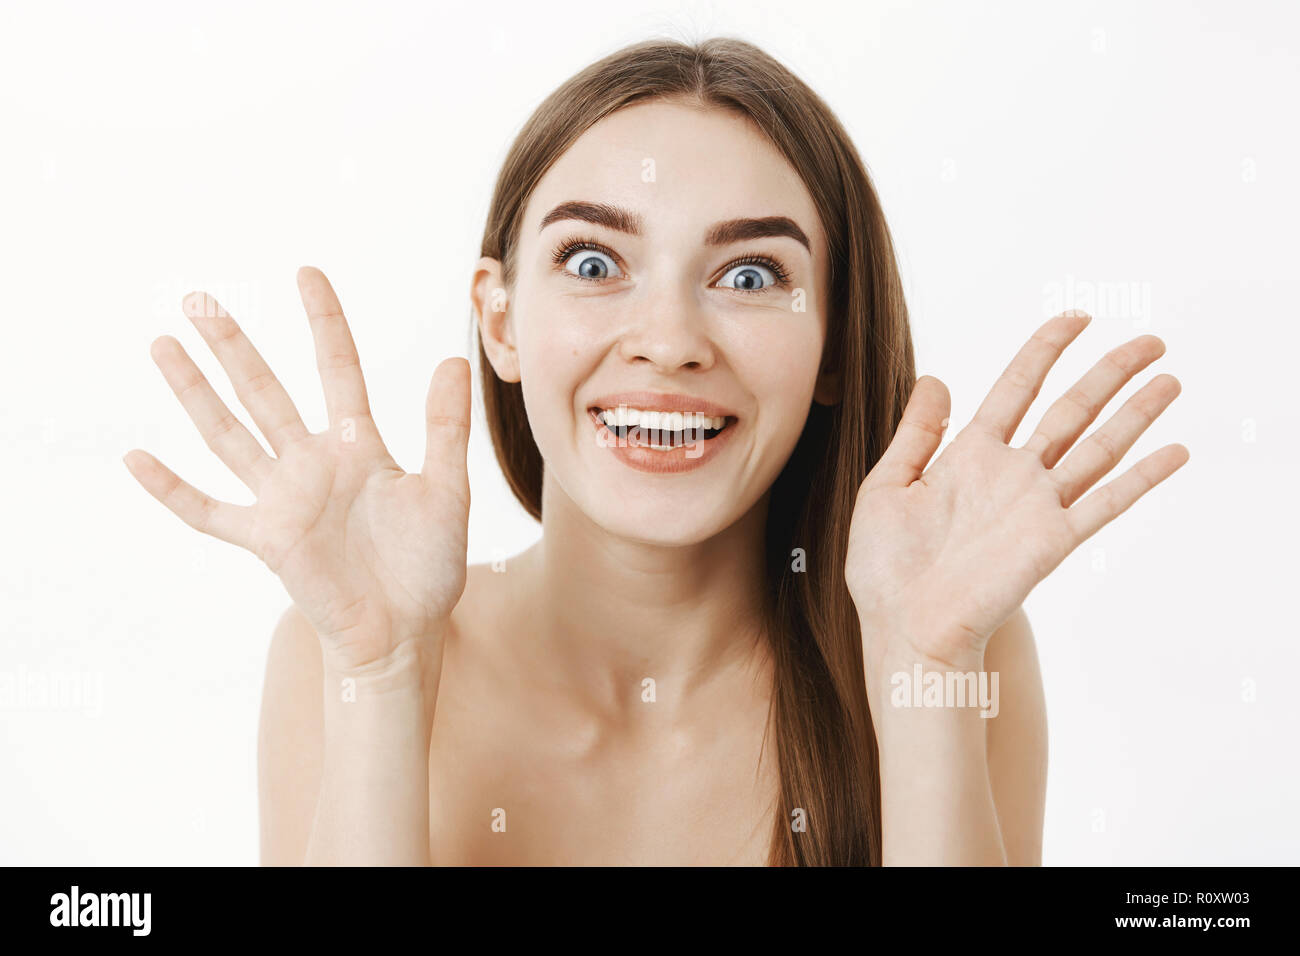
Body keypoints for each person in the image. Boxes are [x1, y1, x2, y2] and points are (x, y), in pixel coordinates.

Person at [123, 37, 1186, 865]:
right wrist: (382, 671)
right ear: (499, 320)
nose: (670, 341)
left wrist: (921, 671)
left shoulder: (962, 652)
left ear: (831, 339)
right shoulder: (337, 652)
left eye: (751, 275)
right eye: (593, 260)